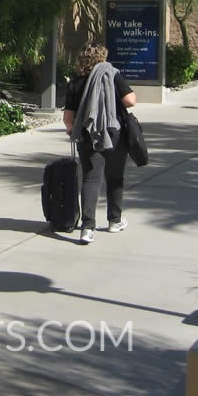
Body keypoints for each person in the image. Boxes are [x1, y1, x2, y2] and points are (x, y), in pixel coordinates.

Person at [63, 44, 137, 245]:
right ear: (103, 57)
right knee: (115, 177)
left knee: (90, 178)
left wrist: (72, 130)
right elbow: (130, 100)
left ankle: (87, 228)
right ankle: (115, 220)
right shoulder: (113, 75)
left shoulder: (76, 83)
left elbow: (68, 117)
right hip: (114, 134)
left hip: (88, 135)